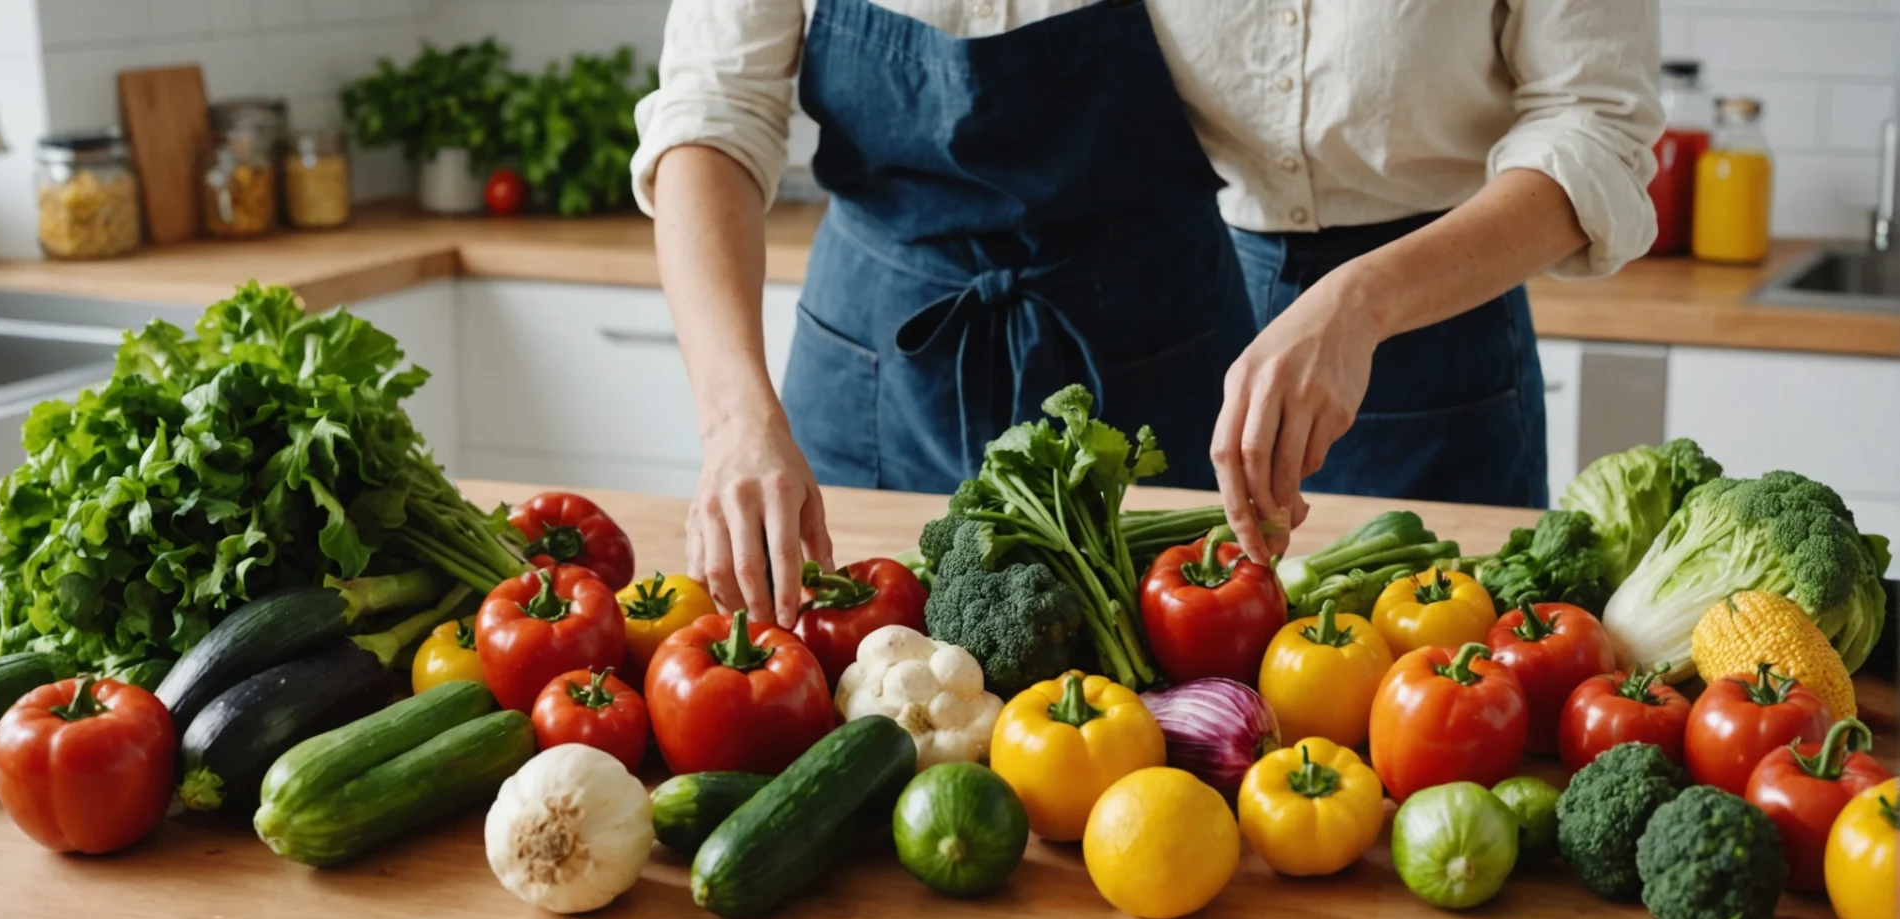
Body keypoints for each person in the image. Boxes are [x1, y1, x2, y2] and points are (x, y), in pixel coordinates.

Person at [631, 0, 1660, 627]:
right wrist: (733, 419)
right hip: (1155, 325)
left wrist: (1357, 301)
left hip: (1425, 325)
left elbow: (1597, 128)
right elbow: (712, 107)